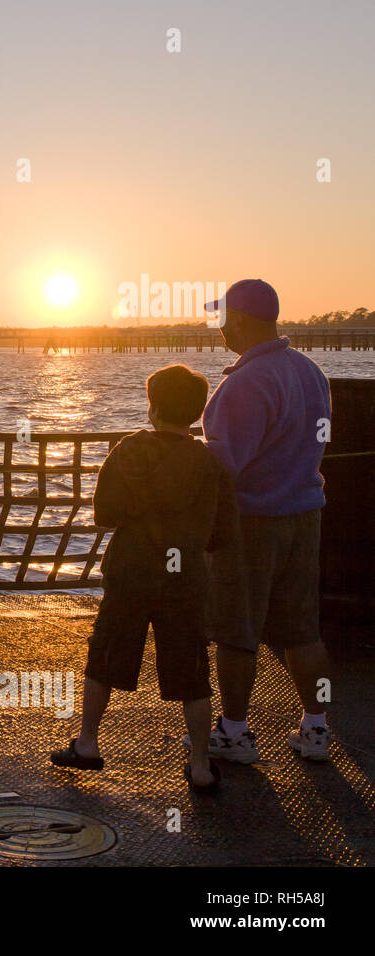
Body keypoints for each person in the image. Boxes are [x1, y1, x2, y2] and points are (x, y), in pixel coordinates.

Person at [52, 364, 238, 792]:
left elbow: (105, 514)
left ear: (153, 408)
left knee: (106, 656)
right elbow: (223, 532)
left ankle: (88, 743)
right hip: (185, 579)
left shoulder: (130, 449)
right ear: (197, 412)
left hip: (131, 572)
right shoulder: (209, 462)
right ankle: (201, 765)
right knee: (191, 669)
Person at [196, 279, 333, 763]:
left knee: (237, 631)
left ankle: (234, 733)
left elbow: (223, 466)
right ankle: (316, 728)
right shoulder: (311, 372)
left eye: (221, 317)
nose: (217, 327)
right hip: (305, 514)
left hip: (252, 522)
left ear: (238, 320)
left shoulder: (244, 383)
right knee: (303, 630)